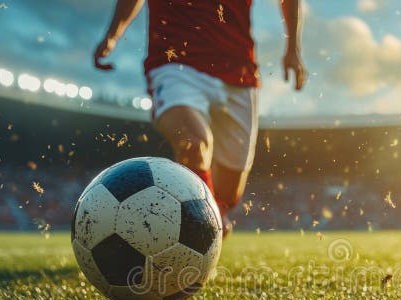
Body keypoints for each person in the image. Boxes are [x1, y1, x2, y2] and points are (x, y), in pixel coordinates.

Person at [94, 0, 306, 236]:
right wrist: (113, 33)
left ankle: (210, 218)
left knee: (227, 196)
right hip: (175, 63)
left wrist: (293, 48)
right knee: (193, 142)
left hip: (238, 73)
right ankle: (201, 227)